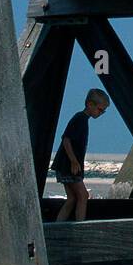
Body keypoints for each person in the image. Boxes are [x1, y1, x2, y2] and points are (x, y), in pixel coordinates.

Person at [52, 88, 111, 222]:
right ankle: (81, 226)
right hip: (68, 166)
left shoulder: (83, 119)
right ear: (90, 104)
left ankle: (58, 225)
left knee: (72, 198)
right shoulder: (80, 119)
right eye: (100, 110)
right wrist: (73, 161)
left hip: (66, 165)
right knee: (83, 196)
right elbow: (66, 140)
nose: (101, 113)